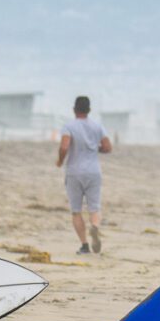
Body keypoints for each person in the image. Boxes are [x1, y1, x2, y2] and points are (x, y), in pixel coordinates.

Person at [56, 94, 112, 254]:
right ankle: (95, 226)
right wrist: (95, 148)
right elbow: (108, 147)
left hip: (74, 171)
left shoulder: (69, 127)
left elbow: (65, 146)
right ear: (89, 110)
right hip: (94, 171)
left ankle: (84, 245)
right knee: (94, 207)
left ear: (74, 109)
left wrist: (60, 160)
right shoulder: (97, 126)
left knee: (76, 210)